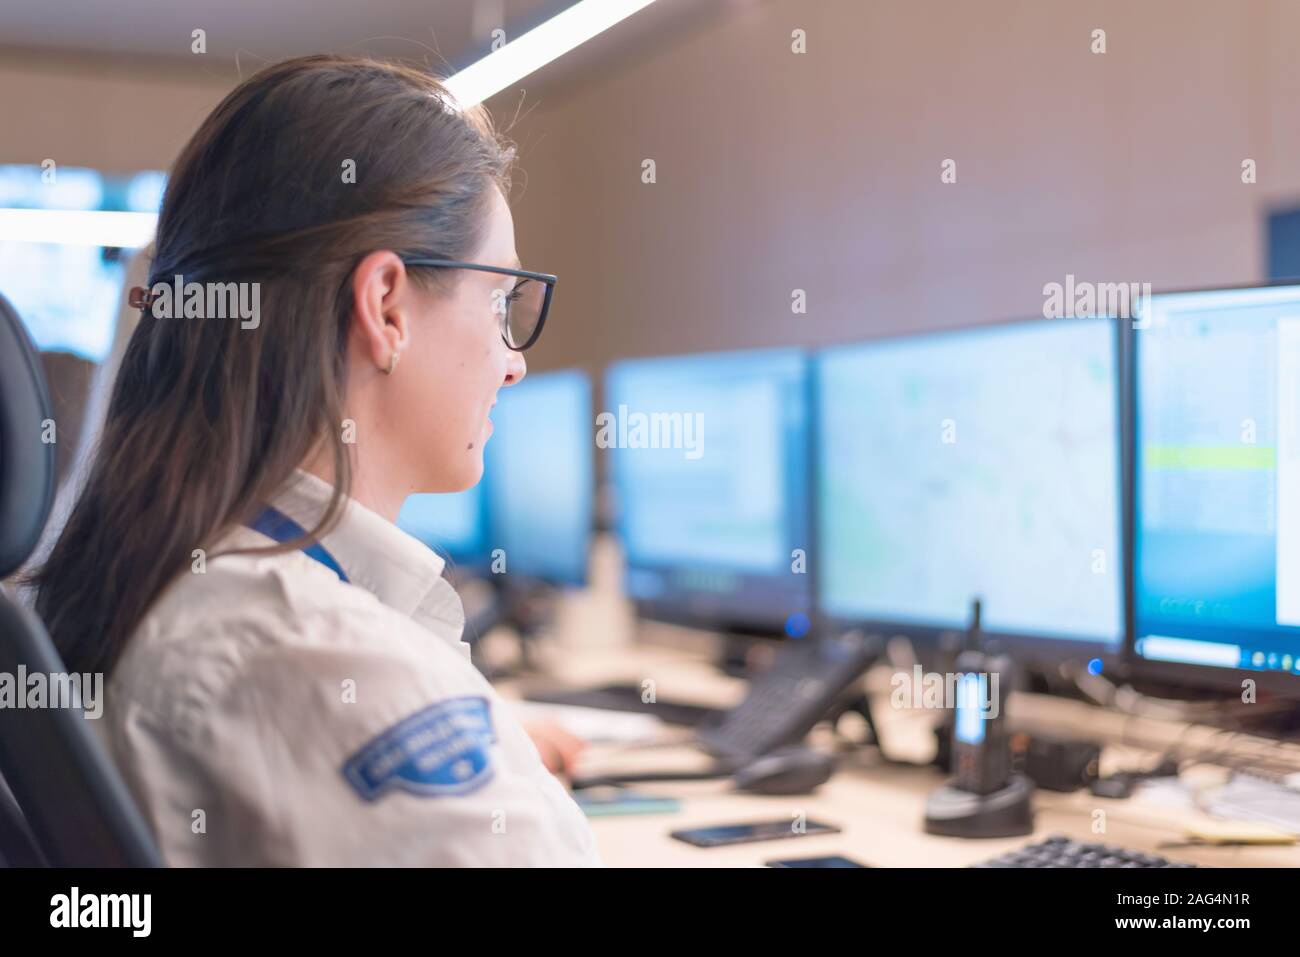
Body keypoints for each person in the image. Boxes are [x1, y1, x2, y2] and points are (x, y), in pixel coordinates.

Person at [29, 54, 602, 866]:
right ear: (386, 307)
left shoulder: (178, 582)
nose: (513, 360)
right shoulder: (313, 657)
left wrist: (489, 748)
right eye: (501, 302)